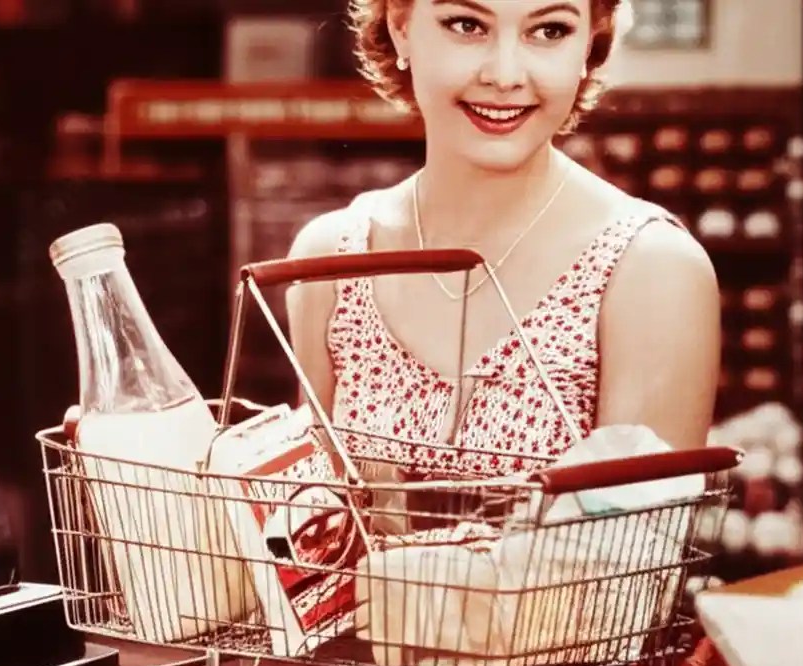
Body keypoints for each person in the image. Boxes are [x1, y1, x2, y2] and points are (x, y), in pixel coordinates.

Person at [286, 0, 721, 477]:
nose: (506, 74)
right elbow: (315, 526)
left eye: (550, 31)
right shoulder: (331, 262)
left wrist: (404, 556)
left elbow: (640, 543)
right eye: (467, 25)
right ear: (400, 26)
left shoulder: (651, 269)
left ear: (589, 43)